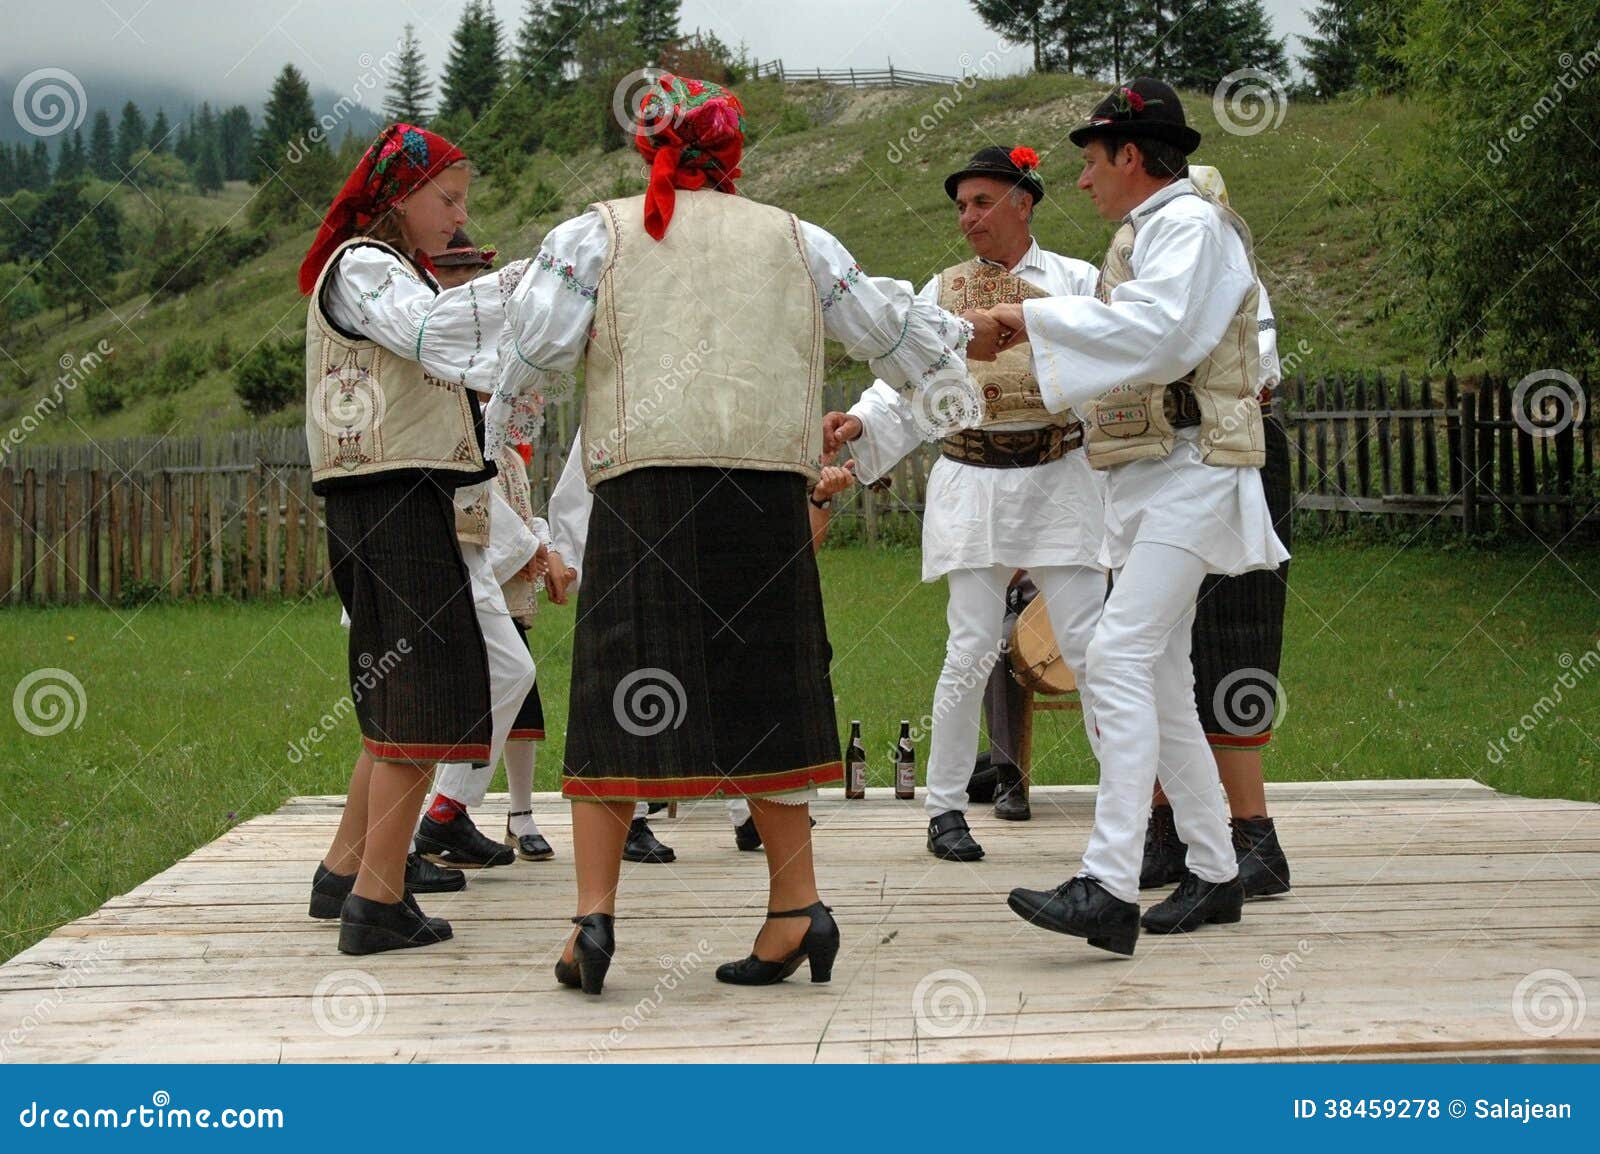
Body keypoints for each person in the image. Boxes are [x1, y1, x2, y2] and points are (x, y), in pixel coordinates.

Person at [488, 74, 981, 995]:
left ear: (650, 148)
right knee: (771, 689)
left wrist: (496, 443)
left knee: (619, 689)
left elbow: (532, 356)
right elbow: (901, 340)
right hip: (764, 501)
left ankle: (593, 922)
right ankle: (797, 910)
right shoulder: (798, 240)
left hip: (645, 497)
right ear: (733, 154)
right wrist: (951, 382)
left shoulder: (597, 234)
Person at [980, 79, 1288, 956]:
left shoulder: (1190, 227)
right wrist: (1032, 329)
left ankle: (1108, 883)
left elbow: (1157, 338)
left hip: (1196, 469)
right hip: (1160, 472)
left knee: (1115, 652)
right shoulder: (1153, 234)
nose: (1080, 181)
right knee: (1157, 675)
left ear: (1129, 155)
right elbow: (1133, 336)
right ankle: (1218, 869)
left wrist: (1029, 318)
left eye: (1088, 160)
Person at [824, 145, 1105, 861]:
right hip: (973, 477)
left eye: (981, 202)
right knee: (970, 648)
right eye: (960, 205)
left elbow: (1114, 362)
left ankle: (1126, 808)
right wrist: (861, 423)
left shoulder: (1076, 280)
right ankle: (946, 810)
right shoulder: (941, 291)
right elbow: (902, 380)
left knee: (1089, 647)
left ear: (1023, 200)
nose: (968, 217)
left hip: (1059, 473)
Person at [299, 123, 527, 954]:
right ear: (399, 197)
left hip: (392, 493)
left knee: (397, 695)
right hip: (391, 495)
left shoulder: (390, 270)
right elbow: (435, 335)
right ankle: (378, 903)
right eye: (448, 198)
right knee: (421, 697)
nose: (460, 218)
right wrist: (541, 280)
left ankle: (346, 869)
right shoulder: (365, 267)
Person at [546, 435, 858, 852]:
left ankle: (749, 807)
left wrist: (816, 495)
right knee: (642, 679)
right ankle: (632, 815)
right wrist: (567, 555)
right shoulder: (625, 396)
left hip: (723, 544)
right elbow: (582, 479)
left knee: (738, 669)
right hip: (646, 541)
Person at [1139, 165, 1293, 899]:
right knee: (1159, 643)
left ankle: (1252, 831)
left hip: (1235, 449)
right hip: (1155, 461)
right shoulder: (1139, 280)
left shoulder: (1232, 281)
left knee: (1236, 636)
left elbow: (1253, 377)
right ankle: (1167, 825)